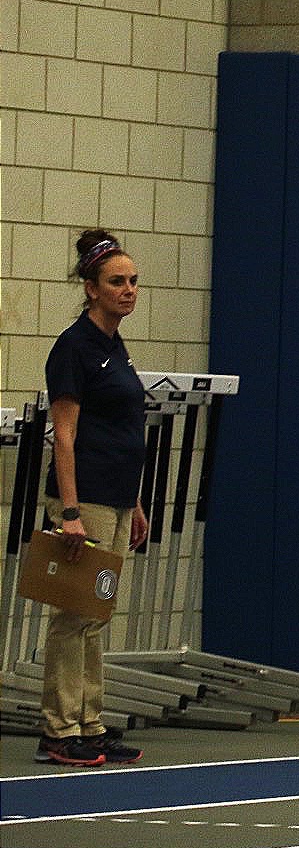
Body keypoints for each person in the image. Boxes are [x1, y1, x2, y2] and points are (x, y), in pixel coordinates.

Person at [37, 229, 148, 766]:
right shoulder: (74, 348)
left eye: (132, 281)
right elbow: (65, 435)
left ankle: (90, 722)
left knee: (97, 614)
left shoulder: (115, 348)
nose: (128, 290)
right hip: (86, 502)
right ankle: (60, 729)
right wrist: (73, 512)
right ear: (90, 289)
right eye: (116, 282)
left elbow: (124, 428)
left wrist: (137, 503)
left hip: (118, 499)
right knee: (75, 614)